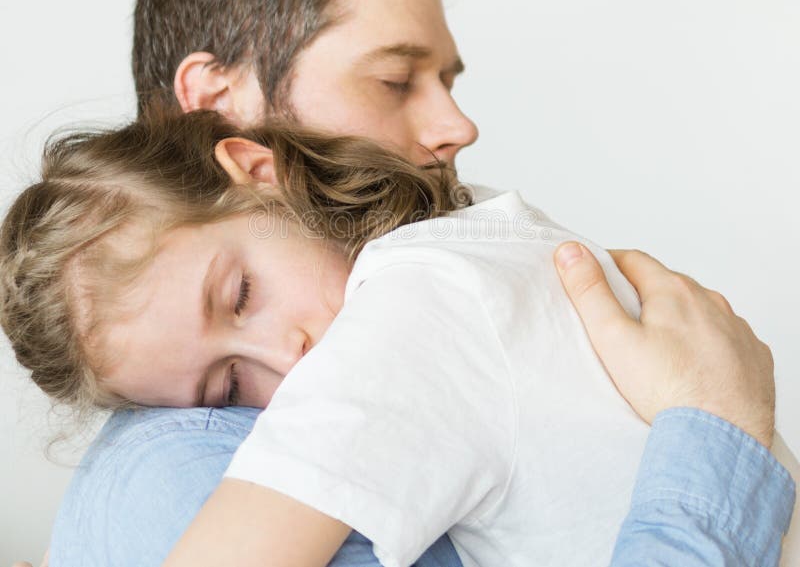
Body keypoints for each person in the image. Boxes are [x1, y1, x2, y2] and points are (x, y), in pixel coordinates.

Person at [8, 0, 795, 567]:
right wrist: (722, 427)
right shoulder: (389, 324)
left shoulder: (426, 291)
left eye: (443, 79)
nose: (459, 128)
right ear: (226, 120)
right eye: (394, 79)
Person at [3, 106, 796, 567]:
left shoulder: (407, 322)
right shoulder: (472, 229)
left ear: (256, 169)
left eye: (241, 295)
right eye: (231, 388)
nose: (291, 358)